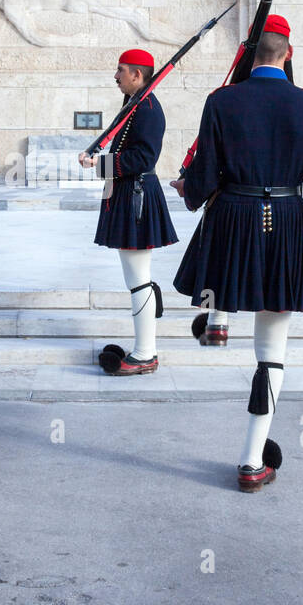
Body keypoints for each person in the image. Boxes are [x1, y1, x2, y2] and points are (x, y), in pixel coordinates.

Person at [170, 15, 303, 494]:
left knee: (219, 297)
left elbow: (204, 176)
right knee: (272, 352)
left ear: (251, 55)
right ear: (288, 54)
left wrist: (188, 188)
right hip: (287, 224)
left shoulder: (222, 102)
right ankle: (252, 462)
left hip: (234, 219)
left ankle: (216, 321)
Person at [78, 49, 178, 376]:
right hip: (127, 193)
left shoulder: (148, 109)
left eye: (120, 70)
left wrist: (101, 163)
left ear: (137, 74)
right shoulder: (134, 105)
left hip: (137, 196)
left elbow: (143, 159)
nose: (115, 75)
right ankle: (144, 346)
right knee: (136, 278)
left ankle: (145, 354)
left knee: (138, 280)